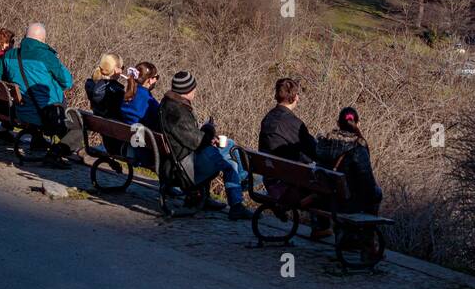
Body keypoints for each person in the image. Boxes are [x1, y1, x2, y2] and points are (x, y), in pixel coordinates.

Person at [159, 70, 252, 220]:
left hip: (178, 157)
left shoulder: (167, 103)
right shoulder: (177, 111)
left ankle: (222, 190)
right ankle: (237, 204)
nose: (195, 91)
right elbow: (196, 142)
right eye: (193, 88)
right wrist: (209, 130)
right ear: (186, 90)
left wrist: (208, 136)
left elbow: (186, 136)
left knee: (230, 145)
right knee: (229, 163)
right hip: (186, 166)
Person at [0, 22, 74, 152]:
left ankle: (38, 140)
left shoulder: (10, 55)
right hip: (47, 114)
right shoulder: (47, 57)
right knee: (75, 130)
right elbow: (67, 82)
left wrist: (10, 85)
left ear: (25, 37)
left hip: (21, 111)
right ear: (43, 40)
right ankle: (57, 151)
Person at [259, 77, 328, 237]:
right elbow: (315, 150)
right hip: (286, 185)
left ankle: (319, 225)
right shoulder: (294, 124)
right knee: (324, 181)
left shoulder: (267, 118)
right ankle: (321, 227)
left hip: (270, 178)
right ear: (295, 97)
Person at [316, 106, 383, 216]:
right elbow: (368, 184)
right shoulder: (358, 148)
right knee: (377, 193)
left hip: (324, 200)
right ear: (358, 124)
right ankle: (367, 230)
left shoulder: (323, 144)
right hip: (347, 204)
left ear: (338, 123)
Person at [118, 62, 160, 131]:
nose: (156, 80)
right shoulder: (150, 102)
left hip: (121, 137)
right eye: (156, 77)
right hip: (139, 139)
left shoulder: (125, 96)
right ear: (150, 80)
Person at [84, 53, 124, 119]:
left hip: (98, 124)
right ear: (116, 70)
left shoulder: (90, 84)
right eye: (122, 68)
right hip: (112, 126)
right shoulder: (117, 91)